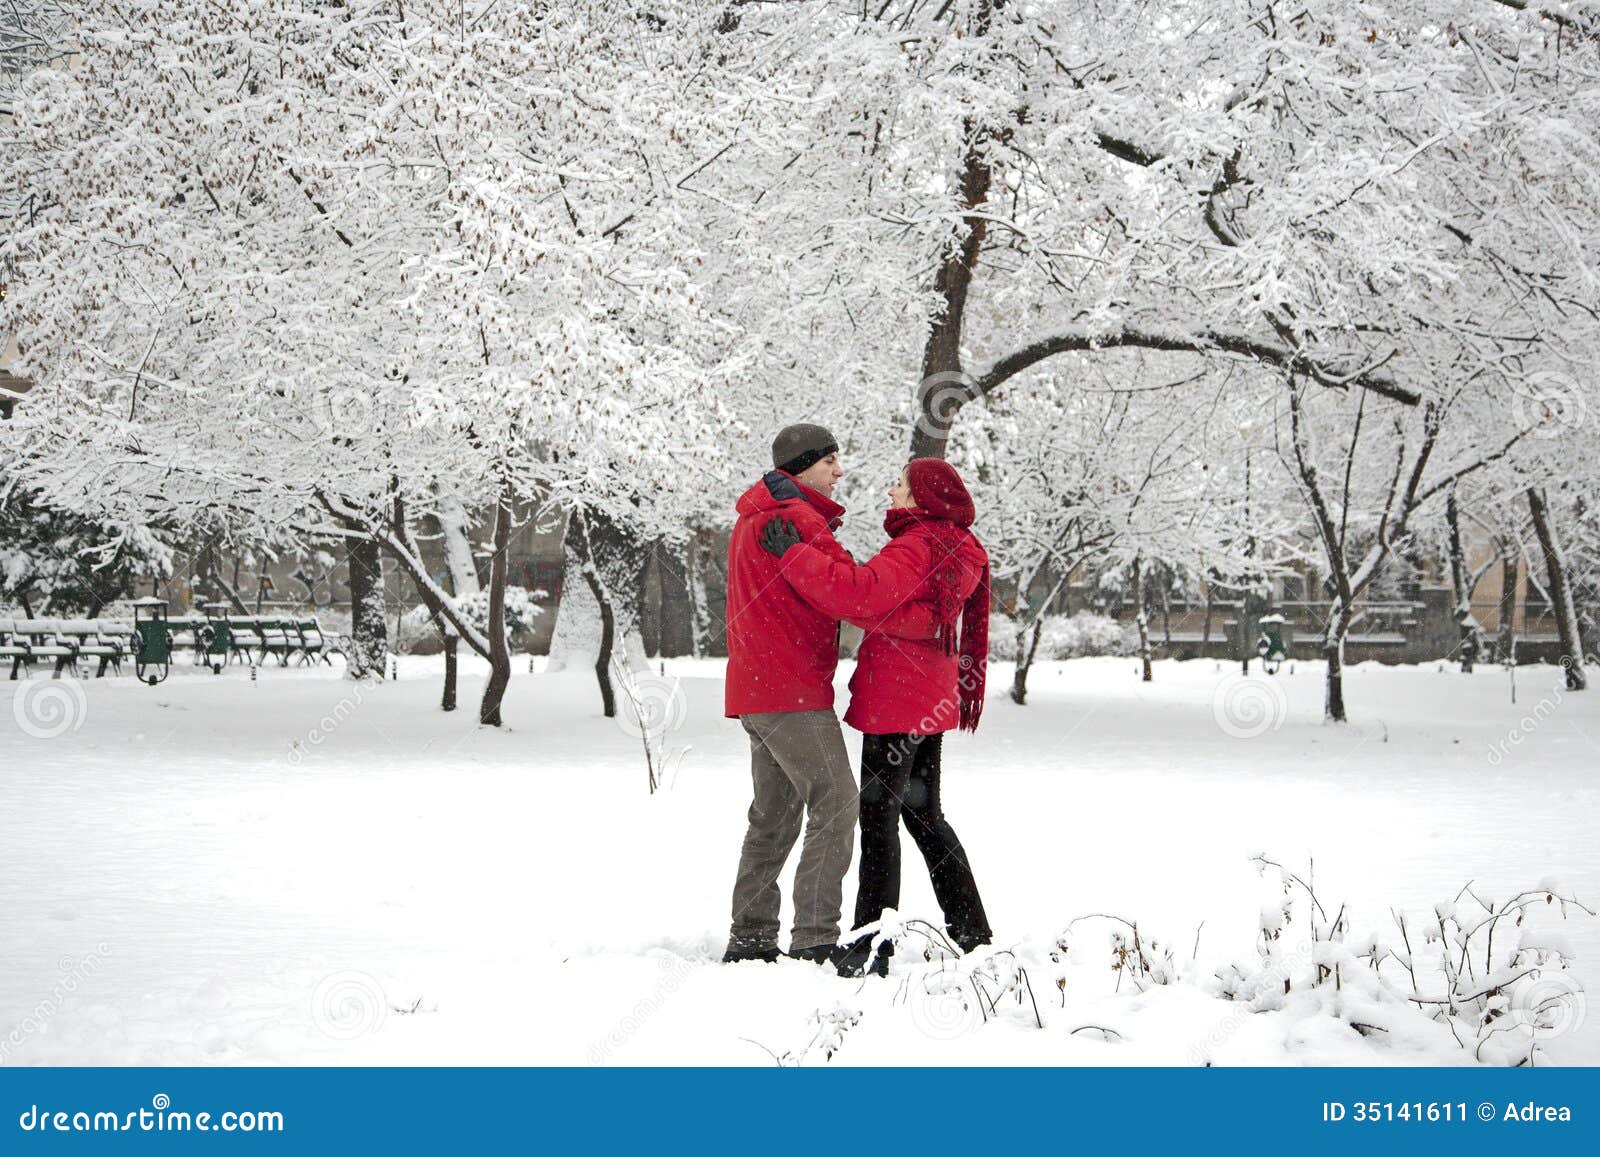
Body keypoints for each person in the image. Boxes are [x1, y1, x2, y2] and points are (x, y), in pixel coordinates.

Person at [759, 457, 992, 978]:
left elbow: (857, 593)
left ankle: (870, 945)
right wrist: (897, 618)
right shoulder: (962, 547)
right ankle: (972, 931)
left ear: (923, 498)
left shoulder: (917, 545)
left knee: (880, 819)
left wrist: (795, 556)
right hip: (929, 699)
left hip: (897, 702)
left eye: (901, 484)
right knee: (925, 816)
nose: (891, 489)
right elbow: (919, 617)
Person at [721, 424, 937, 965]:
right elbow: (851, 591)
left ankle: (750, 937)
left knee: (773, 815)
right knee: (837, 802)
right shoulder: (795, 519)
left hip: (756, 689)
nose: (840, 471)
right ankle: (815, 938)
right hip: (791, 691)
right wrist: (923, 619)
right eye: (830, 461)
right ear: (802, 465)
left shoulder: (752, 516)